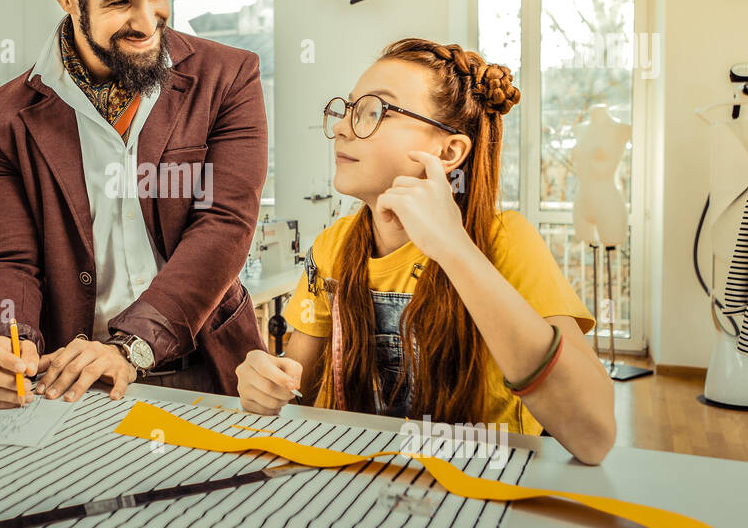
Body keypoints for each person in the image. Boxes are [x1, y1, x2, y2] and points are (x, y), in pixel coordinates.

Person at [0, 0, 268, 409]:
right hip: (74, 383)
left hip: (208, 369)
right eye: (121, 2)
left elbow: (224, 225)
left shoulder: (229, 78)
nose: (149, 22)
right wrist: (3, 341)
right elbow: (8, 258)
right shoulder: (0, 119)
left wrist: (131, 345)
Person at [234, 39, 616, 465]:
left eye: (374, 111)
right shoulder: (332, 247)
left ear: (448, 151)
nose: (343, 127)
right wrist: (267, 384)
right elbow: (299, 389)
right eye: (348, 109)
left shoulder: (503, 241)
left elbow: (593, 435)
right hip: (353, 488)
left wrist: (453, 248)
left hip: (475, 496)